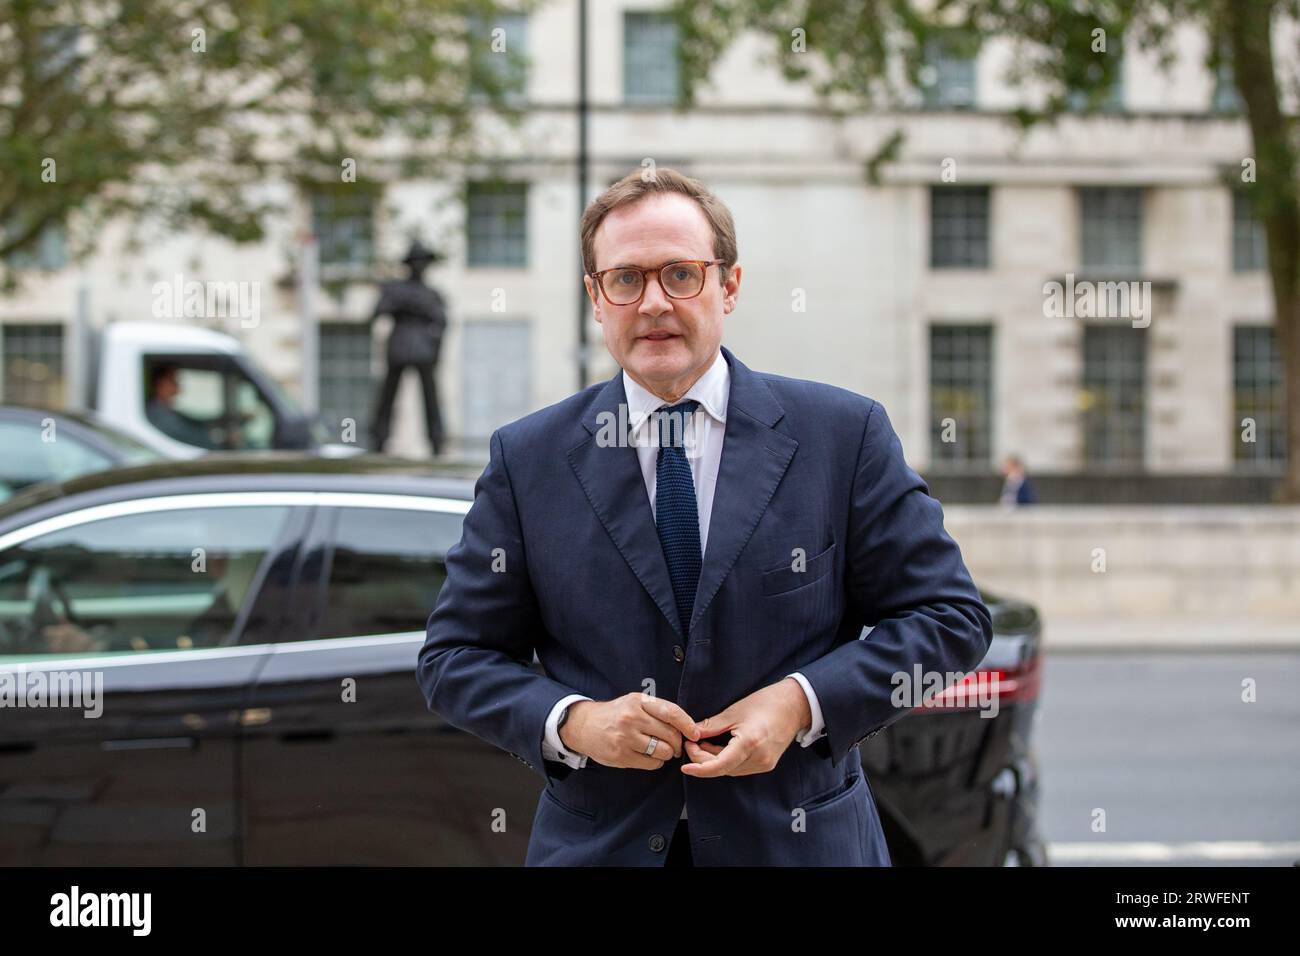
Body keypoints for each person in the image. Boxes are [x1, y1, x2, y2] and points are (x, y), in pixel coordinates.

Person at [416, 168, 992, 866]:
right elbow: (453, 660)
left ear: (730, 285)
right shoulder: (527, 458)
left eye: (681, 274)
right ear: (596, 299)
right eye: (626, 279)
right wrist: (576, 723)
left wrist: (801, 704)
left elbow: (951, 619)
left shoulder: (842, 435)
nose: (654, 301)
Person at [369, 240, 448, 455]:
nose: (419, 266)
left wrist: (436, 350)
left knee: (430, 397)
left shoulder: (432, 294)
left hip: (423, 349)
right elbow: (377, 312)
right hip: (400, 347)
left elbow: (441, 322)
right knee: (388, 395)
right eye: (416, 262)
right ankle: (379, 438)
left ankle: (437, 440)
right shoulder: (395, 289)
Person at [144, 364, 225, 450]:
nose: (178, 388)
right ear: (161, 383)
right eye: (173, 381)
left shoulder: (165, 410)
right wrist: (220, 438)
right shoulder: (156, 413)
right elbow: (187, 435)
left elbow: (193, 422)